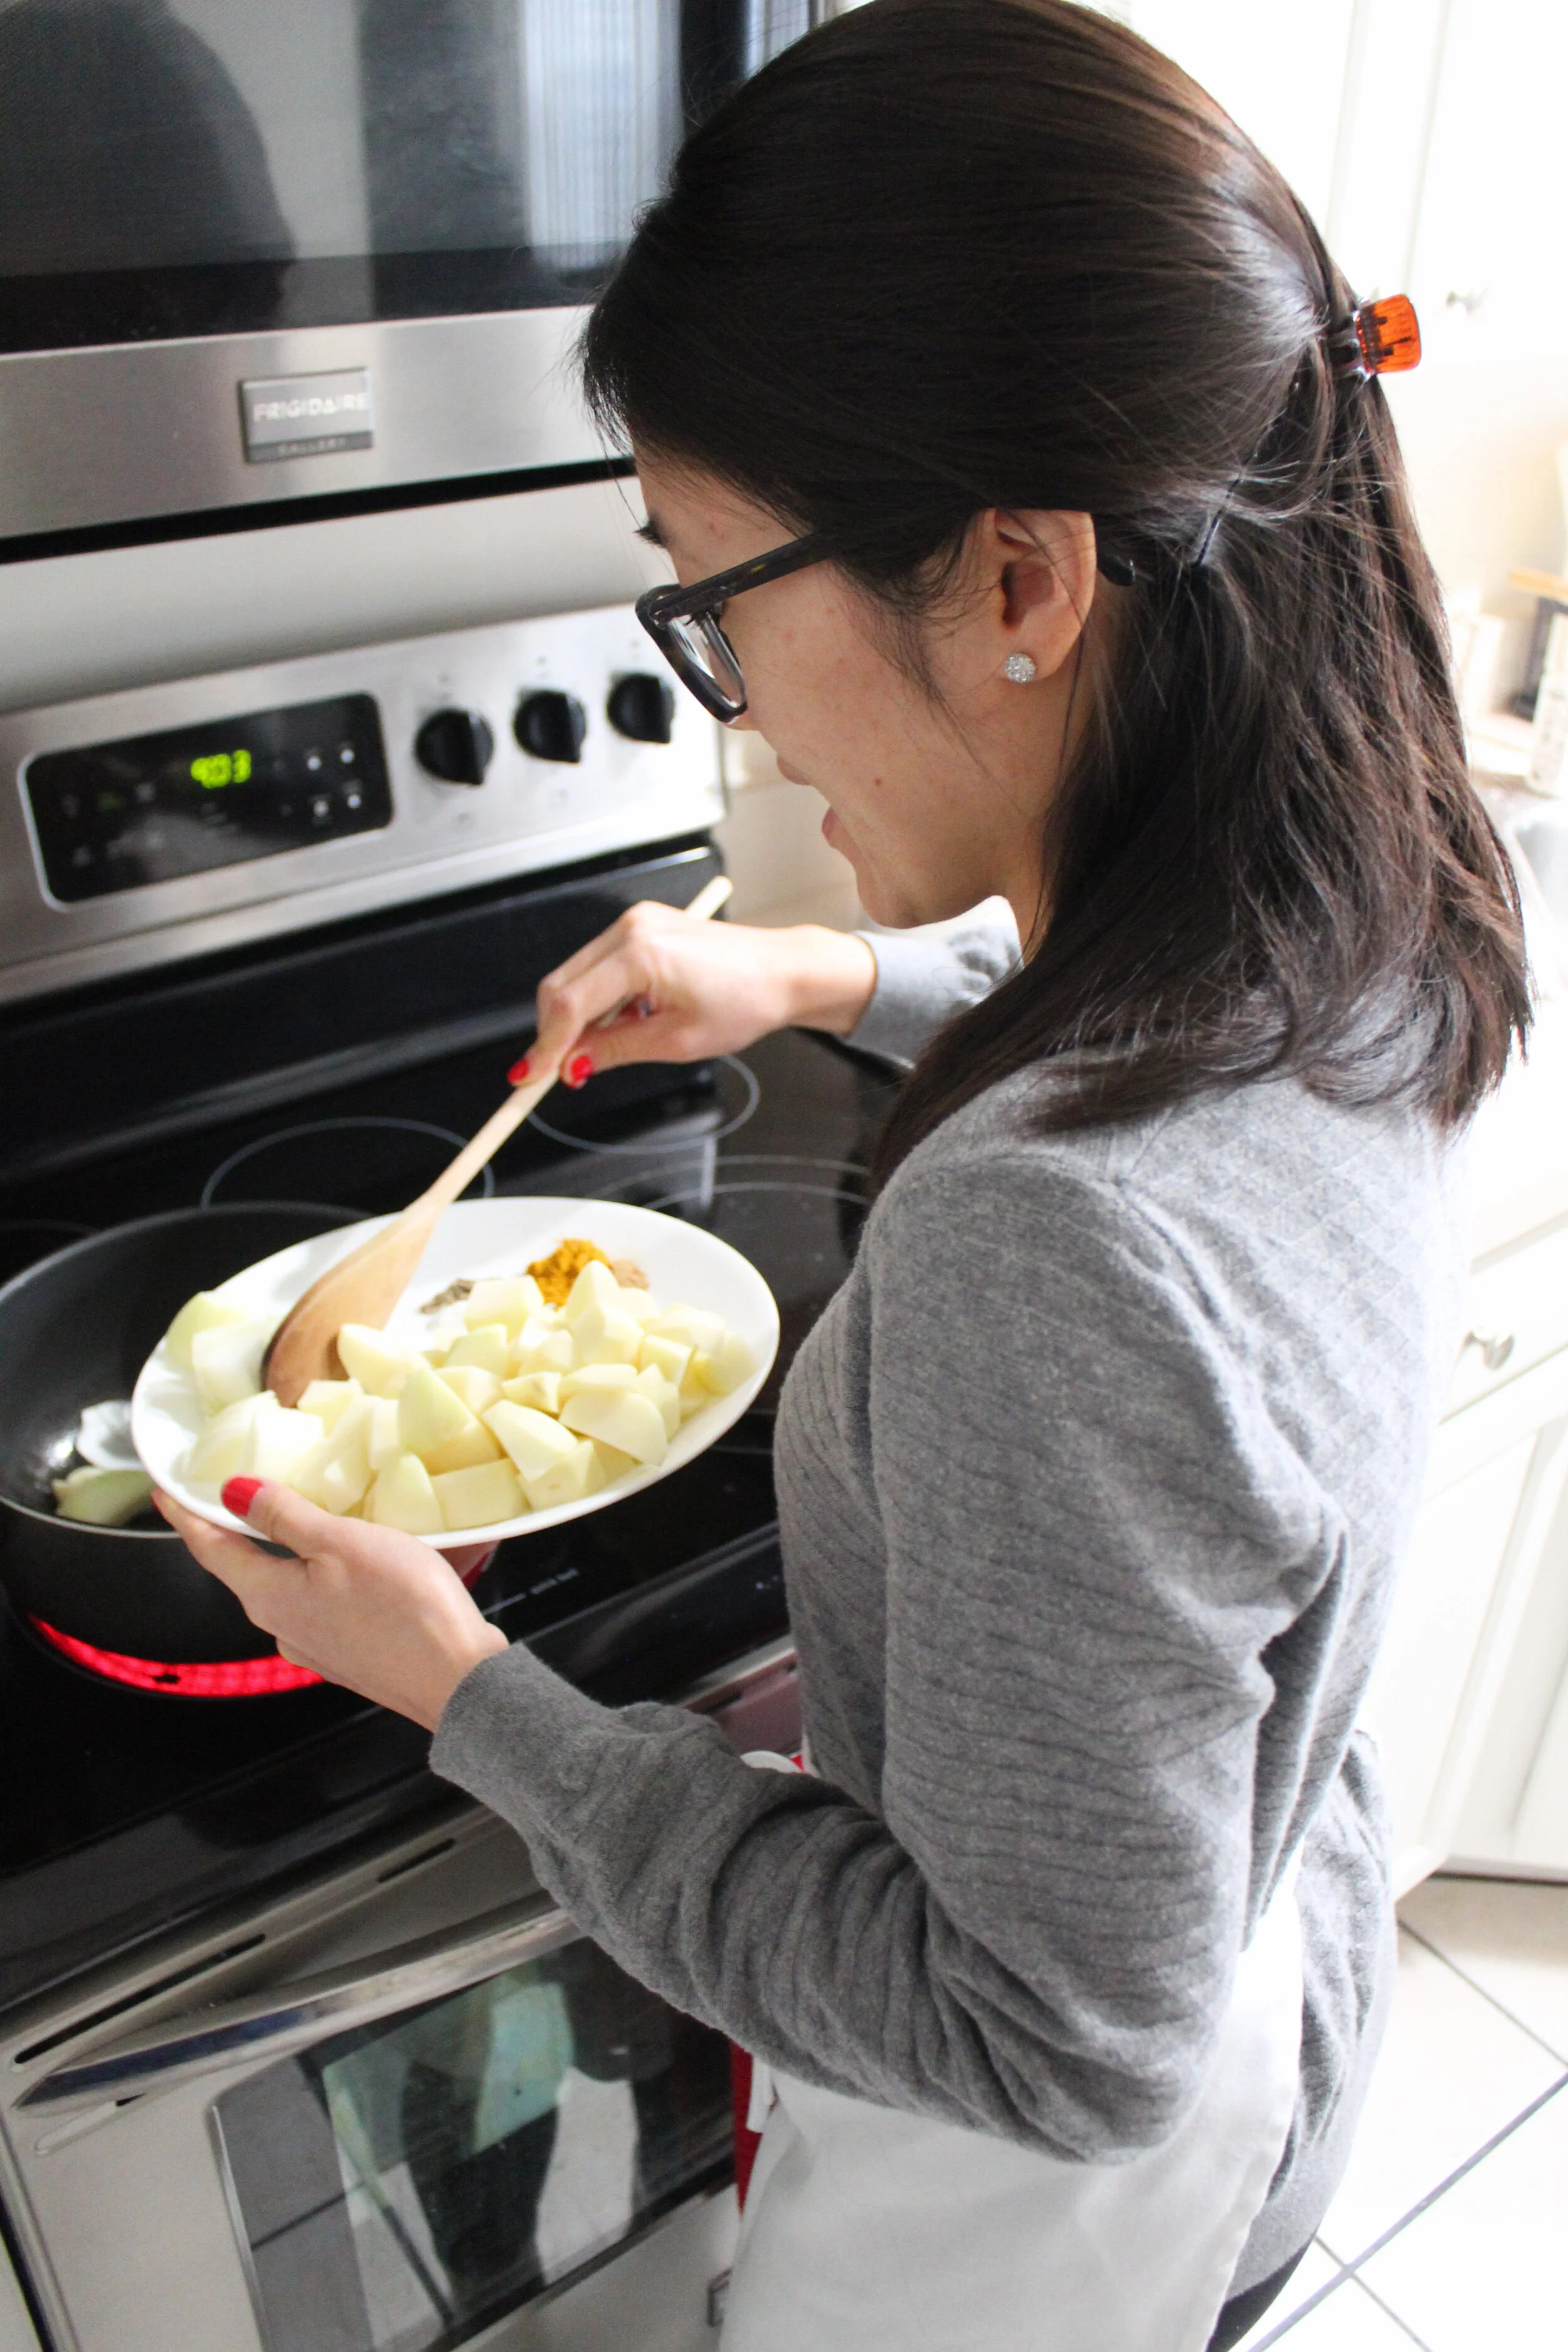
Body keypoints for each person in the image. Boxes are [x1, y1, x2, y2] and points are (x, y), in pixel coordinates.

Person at [154, 4, 1530, 2346]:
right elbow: (1152, 1061)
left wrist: (468, 1687)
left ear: (1016, 581)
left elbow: (1039, 2039)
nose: (748, 711)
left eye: (709, 602)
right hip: (1268, 1986)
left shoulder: (1043, 1247)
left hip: (1029, 2199)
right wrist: (823, 979)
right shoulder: (1379, 880)